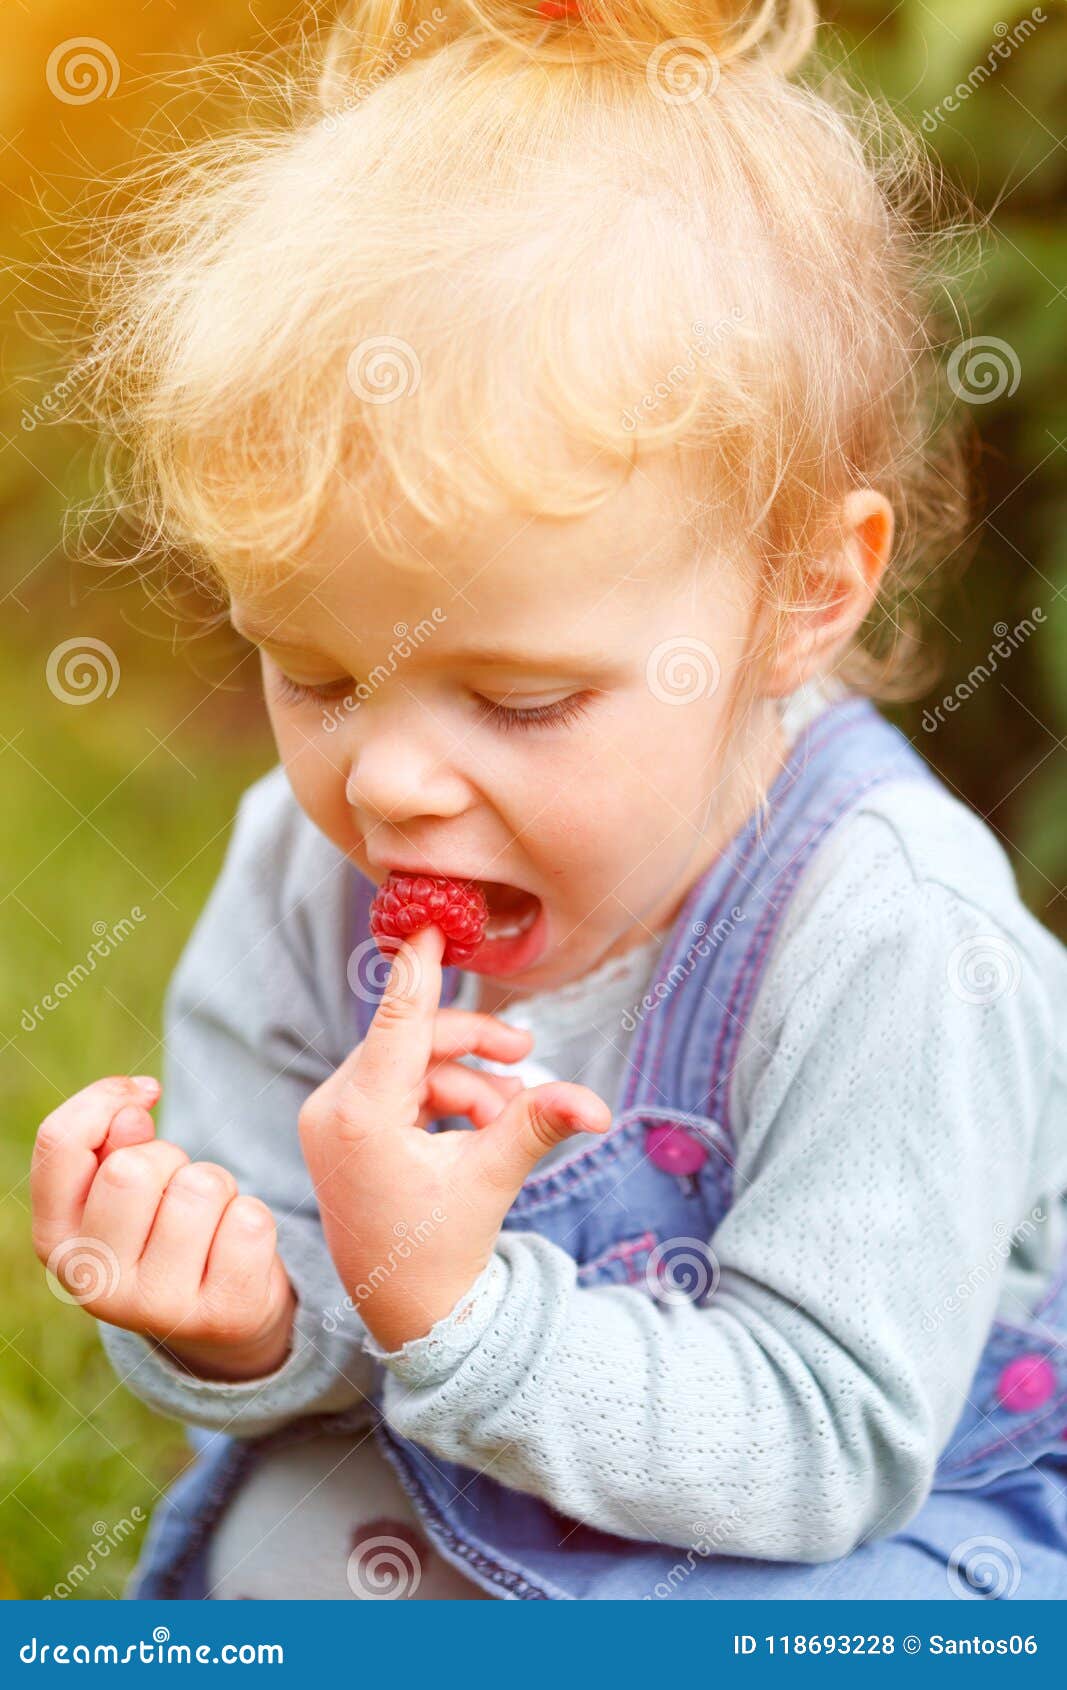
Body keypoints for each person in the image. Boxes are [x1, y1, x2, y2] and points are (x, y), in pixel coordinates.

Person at [31, 0, 1067, 1599]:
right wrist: (237, 1306)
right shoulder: (301, 876)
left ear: (806, 590)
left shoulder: (893, 935)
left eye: (522, 700)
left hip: (884, 1504)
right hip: (494, 1460)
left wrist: (459, 1311)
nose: (385, 781)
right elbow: (307, 1323)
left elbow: (831, 1446)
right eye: (311, 675)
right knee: (281, 1544)